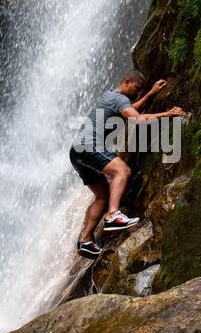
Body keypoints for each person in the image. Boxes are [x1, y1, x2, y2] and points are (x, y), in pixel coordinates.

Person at [69, 69, 186, 257]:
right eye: (137, 88)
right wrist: (169, 113)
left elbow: (132, 110)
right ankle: (113, 215)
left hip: (77, 151)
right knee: (122, 171)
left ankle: (85, 239)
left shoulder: (112, 96)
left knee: (102, 196)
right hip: (88, 146)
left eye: (141, 91)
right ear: (126, 82)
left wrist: (150, 93)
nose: (138, 93)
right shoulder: (120, 99)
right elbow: (137, 119)